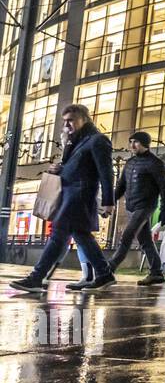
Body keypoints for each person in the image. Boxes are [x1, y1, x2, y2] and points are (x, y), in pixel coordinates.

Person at [10, 104, 115, 293]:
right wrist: (58, 168)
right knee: (76, 236)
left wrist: (109, 201)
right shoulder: (76, 141)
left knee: (61, 235)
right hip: (69, 195)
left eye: (71, 120)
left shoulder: (97, 140)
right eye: (65, 121)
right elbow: (72, 166)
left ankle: (36, 277)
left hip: (80, 196)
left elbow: (106, 172)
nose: (67, 124)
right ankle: (104, 273)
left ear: (84, 118)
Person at [104, 131, 165, 287]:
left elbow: (164, 187)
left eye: (136, 142)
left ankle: (109, 268)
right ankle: (156, 273)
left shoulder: (155, 163)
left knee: (127, 236)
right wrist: (109, 202)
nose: (132, 145)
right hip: (131, 207)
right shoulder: (129, 163)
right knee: (145, 241)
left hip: (145, 206)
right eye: (131, 142)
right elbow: (121, 186)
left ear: (145, 144)